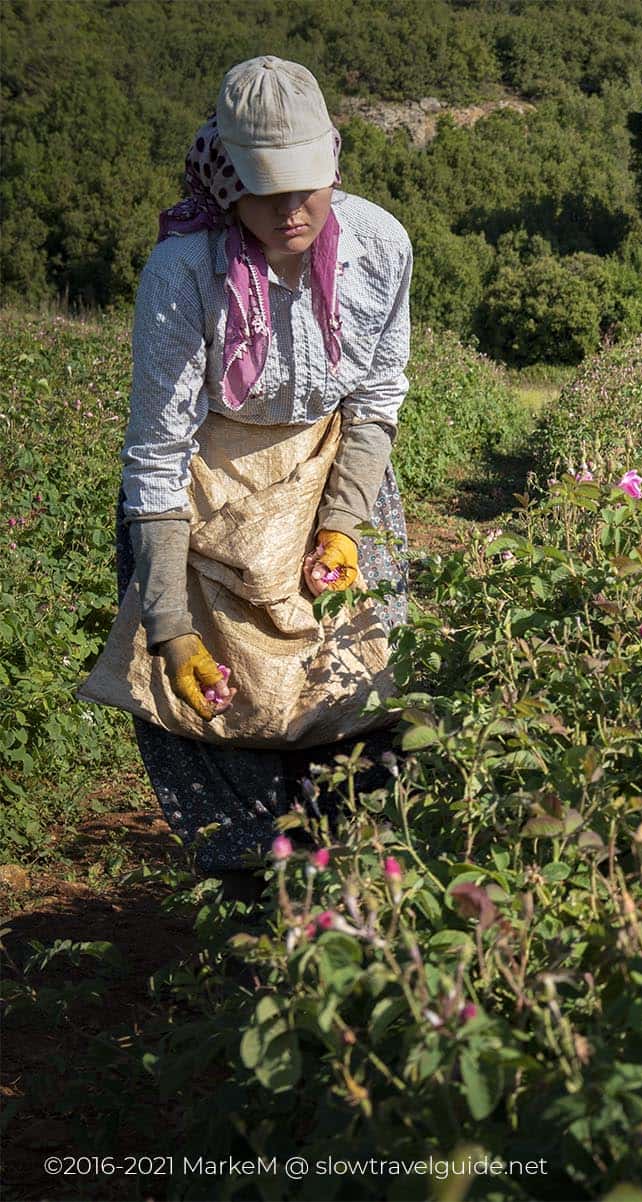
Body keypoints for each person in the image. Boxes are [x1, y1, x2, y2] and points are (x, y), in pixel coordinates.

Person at [116, 56, 413, 899]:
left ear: (334, 166)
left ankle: (353, 900)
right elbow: (157, 455)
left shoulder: (380, 245)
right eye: (268, 190)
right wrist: (170, 624)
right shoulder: (185, 274)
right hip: (204, 493)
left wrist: (345, 522)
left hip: (333, 472)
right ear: (226, 181)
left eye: (309, 188)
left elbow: (375, 397)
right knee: (220, 708)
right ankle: (257, 914)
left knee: (357, 695)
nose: (293, 212)